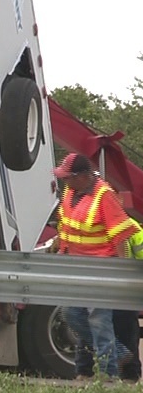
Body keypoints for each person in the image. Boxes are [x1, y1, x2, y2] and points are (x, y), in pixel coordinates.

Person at [54, 152, 142, 381]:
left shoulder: (104, 195)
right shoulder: (70, 192)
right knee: (71, 314)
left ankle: (108, 375)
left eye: (68, 176)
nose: (65, 180)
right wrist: (61, 251)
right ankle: (119, 356)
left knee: (99, 320)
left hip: (102, 269)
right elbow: (66, 225)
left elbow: (120, 235)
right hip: (78, 267)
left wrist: (120, 273)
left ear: (83, 176)